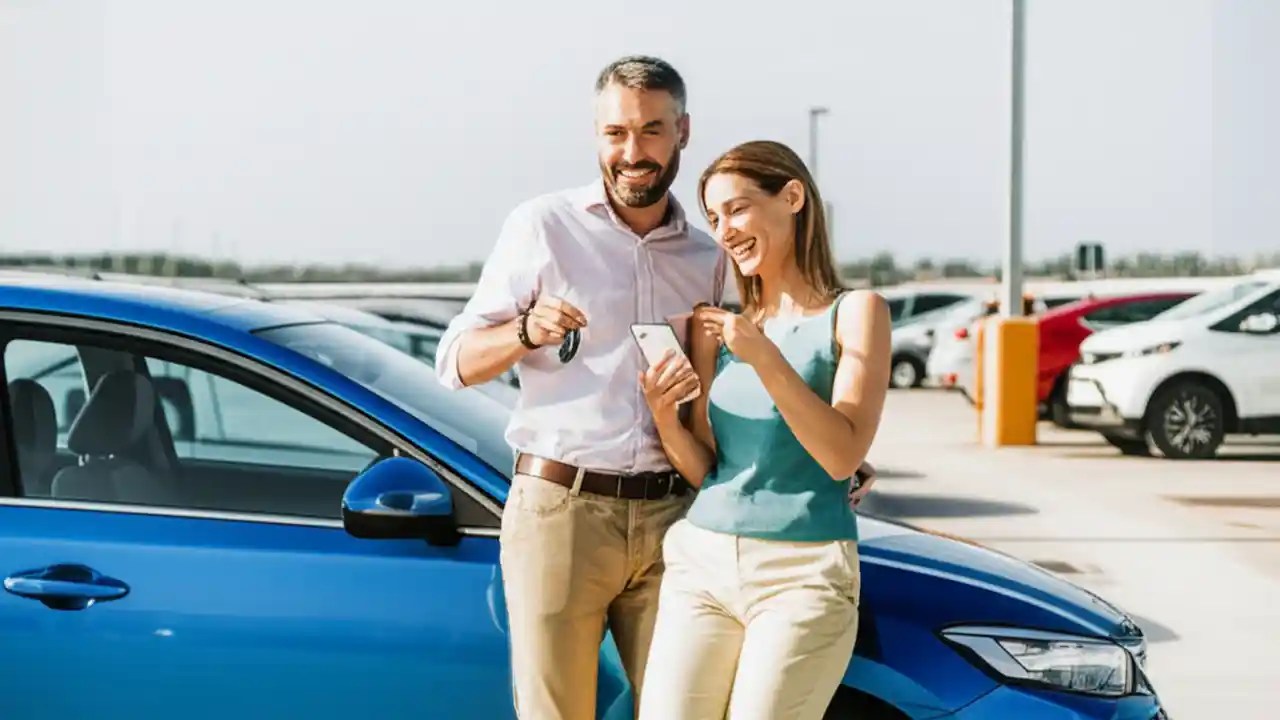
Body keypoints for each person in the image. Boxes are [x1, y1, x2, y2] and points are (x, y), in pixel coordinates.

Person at [433, 55, 723, 719]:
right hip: (562, 514)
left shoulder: (707, 258)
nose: (632, 152)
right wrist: (525, 331)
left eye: (651, 130)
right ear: (596, 133)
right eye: (616, 133)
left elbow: (727, 392)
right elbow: (455, 362)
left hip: (675, 519)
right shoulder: (543, 226)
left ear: (682, 131)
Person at [636, 139, 892, 720]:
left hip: (803, 573)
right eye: (714, 217)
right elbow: (707, 469)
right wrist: (664, 416)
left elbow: (841, 456)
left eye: (738, 209)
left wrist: (764, 356)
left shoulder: (856, 313)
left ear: (792, 197)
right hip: (703, 559)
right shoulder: (717, 331)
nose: (724, 230)